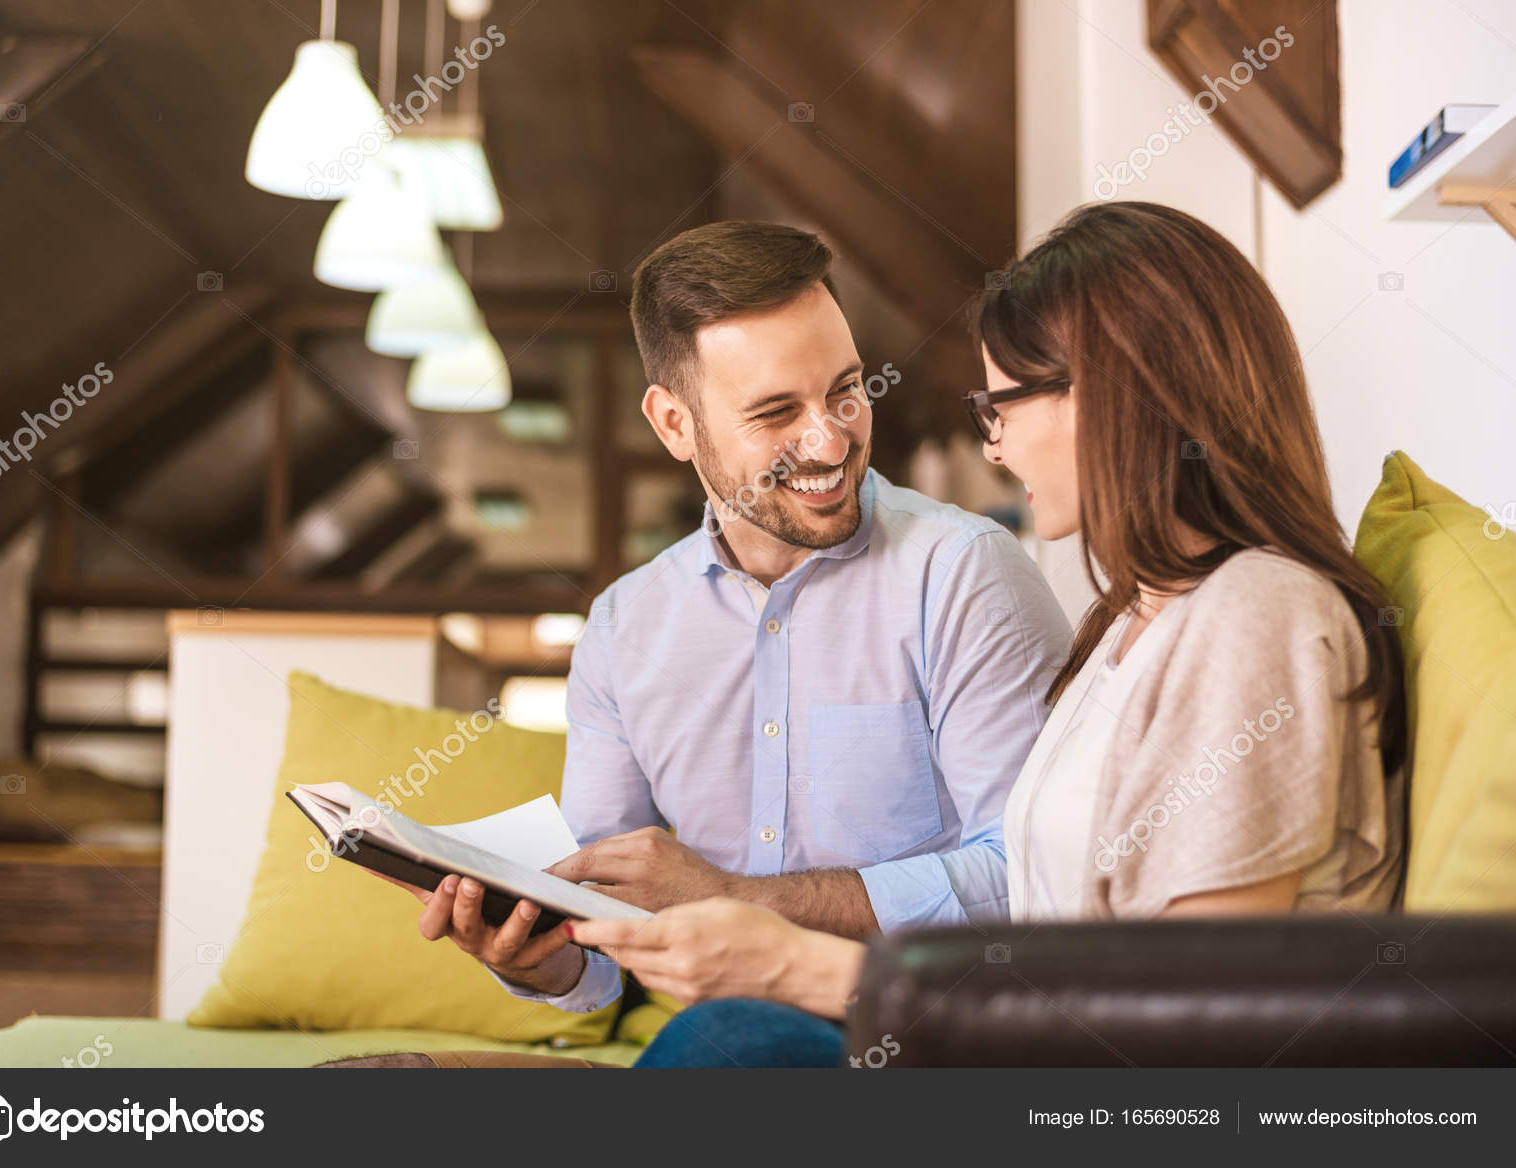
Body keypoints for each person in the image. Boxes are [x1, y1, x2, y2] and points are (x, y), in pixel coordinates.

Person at [572, 200, 1408, 1068]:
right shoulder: (1128, 628)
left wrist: (802, 965)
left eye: (1003, 405)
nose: (997, 451)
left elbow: (1192, 1020)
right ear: (672, 422)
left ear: (1117, 399)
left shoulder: (1257, 618)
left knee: (730, 1044)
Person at [377, 221, 1071, 1017]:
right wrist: (538, 960)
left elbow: (1032, 879)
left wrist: (739, 899)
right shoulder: (622, 632)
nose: (831, 438)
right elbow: (603, 956)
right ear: (674, 424)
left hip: (923, 1038)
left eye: (846, 389)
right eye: (777, 412)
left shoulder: (964, 575)